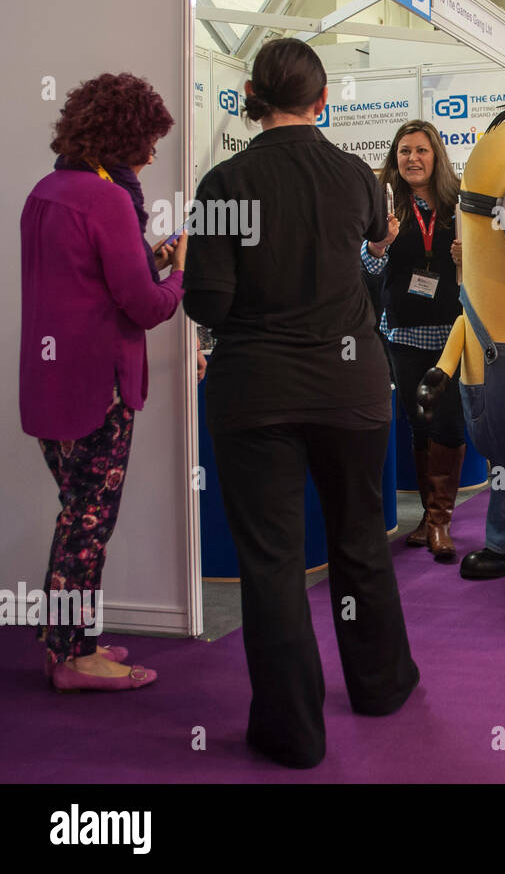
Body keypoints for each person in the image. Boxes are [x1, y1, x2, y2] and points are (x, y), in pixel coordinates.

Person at [182, 38, 419, 768]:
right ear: (322, 100)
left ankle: (293, 731)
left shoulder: (224, 183)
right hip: (351, 386)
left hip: (256, 391)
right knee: (359, 538)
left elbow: (207, 303)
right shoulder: (354, 175)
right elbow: (375, 242)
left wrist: (190, 262)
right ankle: (382, 684)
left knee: (272, 562)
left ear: (251, 96)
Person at [20, 72, 183, 692]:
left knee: (77, 517)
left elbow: (87, 281)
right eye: (149, 141)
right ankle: (73, 659)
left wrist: (150, 260)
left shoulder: (47, 190)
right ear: (126, 137)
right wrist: (181, 274)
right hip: (98, 389)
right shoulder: (110, 200)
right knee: (88, 524)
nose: (152, 155)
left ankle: (69, 643)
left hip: (49, 384)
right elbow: (144, 306)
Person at [362, 119, 466, 560]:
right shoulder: (384, 203)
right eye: (405, 151)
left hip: (452, 333)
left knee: (450, 423)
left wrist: (469, 256)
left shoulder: (459, 201)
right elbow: (368, 270)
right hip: (403, 332)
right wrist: (379, 245)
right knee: (419, 422)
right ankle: (429, 516)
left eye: (421, 150)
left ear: (436, 155)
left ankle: (441, 520)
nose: (413, 159)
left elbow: (488, 266)